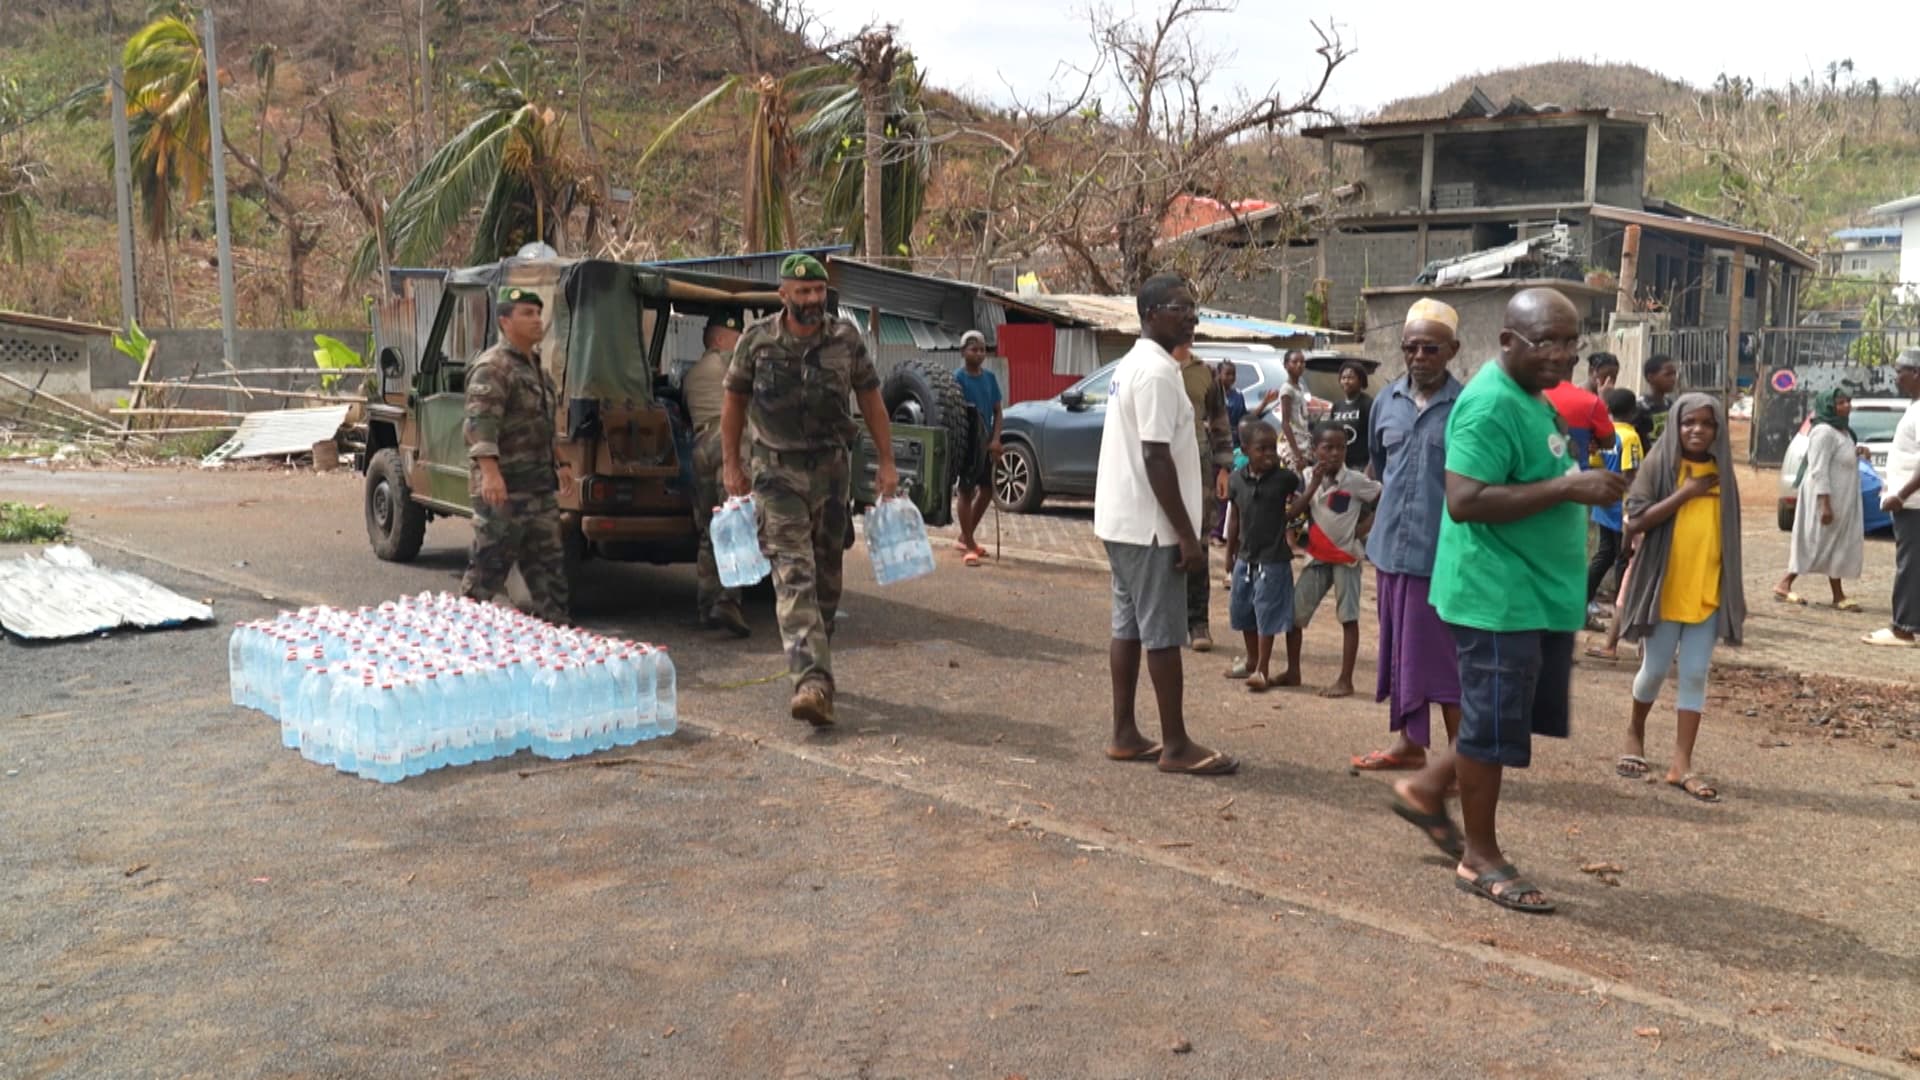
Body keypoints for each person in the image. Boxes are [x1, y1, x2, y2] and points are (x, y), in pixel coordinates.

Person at [1388, 288, 1628, 915]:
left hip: (1533, 594)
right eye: (1546, 341)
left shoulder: (1534, 397)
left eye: (1570, 342)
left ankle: (1425, 788)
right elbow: (1465, 499)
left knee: (1499, 718)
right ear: (1506, 341)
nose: (1563, 355)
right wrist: (1570, 489)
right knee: (1490, 730)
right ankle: (1480, 858)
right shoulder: (1489, 405)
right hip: (1495, 595)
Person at [721, 253, 899, 727]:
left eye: (819, 291)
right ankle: (812, 682)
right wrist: (731, 464)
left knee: (826, 581)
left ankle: (817, 663)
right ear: (783, 295)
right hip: (776, 474)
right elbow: (733, 402)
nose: (813, 299)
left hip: (831, 474)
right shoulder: (756, 340)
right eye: (803, 292)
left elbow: (871, 400)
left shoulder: (845, 340)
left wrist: (886, 462)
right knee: (793, 574)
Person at [1096, 274, 1237, 775]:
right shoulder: (1156, 372)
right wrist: (1185, 534)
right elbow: (1156, 457)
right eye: (1180, 308)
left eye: (1194, 309)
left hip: (1124, 521)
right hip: (1151, 527)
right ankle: (1176, 745)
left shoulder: (1134, 364)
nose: (1191, 317)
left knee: (1128, 627)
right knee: (1161, 634)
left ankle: (1124, 733)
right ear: (1151, 314)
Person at [1351, 298, 1465, 773]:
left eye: (1430, 348)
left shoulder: (1466, 408)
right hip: (1390, 552)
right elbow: (1380, 464)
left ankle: (1461, 762)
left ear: (1452, 350)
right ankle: (1409, 746)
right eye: (1410, 347)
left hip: (1440, 559)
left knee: (1443, 664)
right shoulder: (1386, 402)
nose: (1419, 357)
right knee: (1401, 655)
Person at [1615, 395, 1746, 802]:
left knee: (1694, 674)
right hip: (1664, 590)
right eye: (1689, 422)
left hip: (1707, 591)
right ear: (1675, 425)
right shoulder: (1660, 465)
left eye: (1707, 424)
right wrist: (1685, 494)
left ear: (1717, 429)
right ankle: (1635, 730)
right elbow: (1635, 520)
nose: (1697, 430)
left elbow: (1730, 535)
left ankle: (1681, 764)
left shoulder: (1723, 472)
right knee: (1654, 671)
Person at [463, 286, 569, 624]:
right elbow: (480, 424)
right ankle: (462, 635)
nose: (537, 320)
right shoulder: (493, 367)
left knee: (551, 572)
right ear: (505, 321)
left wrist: (561, 463)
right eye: (527, 313)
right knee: (489, 569)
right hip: (504, 490)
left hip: (538, 488)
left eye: (538, 313)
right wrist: (490, 474)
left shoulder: (536, 367)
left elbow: (542, 422)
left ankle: (557, 635)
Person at [1281, 425, 1380, 697]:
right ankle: (1292, 671)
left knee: (1348, 617)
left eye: (1341, 448)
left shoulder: (1356, 480)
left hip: (1346, 557)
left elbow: (1383, 498)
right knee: (1294, 615)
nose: (1335, 453)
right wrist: (1313, 485)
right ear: (1315, 450)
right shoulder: (1306, 477)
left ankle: (1345, 680)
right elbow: (1293, 513)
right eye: (1328, 448)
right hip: (1317, 555)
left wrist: (1364, 529)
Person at [1222, 421, 1314, 691]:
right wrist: (1229, 554)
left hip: (1273, 561)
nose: (1269, 455)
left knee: (1267, 614)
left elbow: (1295, 509)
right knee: (1243, 610)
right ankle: (1251, 660)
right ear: (1245, 450)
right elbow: (1234, 519)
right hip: (1245, 558)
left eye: (1272, 448)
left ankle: (1262, 669)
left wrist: (1311, 487)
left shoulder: (1284, 479)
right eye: (1261, 449)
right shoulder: (1237, 480)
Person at [685, 312, 750, 637]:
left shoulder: (692, 374)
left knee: (710, 529)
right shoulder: (728, 362)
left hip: (700, 448)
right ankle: (728, 601)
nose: (740, 344)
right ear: (721, 339)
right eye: (736, 338)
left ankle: (706, 604)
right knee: (736, 524)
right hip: (730, 444)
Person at [1774, 389, 1866, 609]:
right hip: (1824, 498)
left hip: (1841, 499)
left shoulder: (1842, 431)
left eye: (1848, 401)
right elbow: (1819, 469)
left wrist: (1857, 452)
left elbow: (1839, 458)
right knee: (1816, 543)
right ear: (1829, 406)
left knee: (1836, 544)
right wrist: (1824, 504)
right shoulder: (1823, 432)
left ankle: (1837, 595)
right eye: (1841, 402)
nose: (1847, 406)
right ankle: (1784, 584)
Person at [1177, 343, 1233, 651]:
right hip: (1158, 462)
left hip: (1197, 463)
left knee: (1198, 540)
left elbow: (1219, 419)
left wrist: (1223, 468)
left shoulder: (1205, 372)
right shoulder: (1150, 366)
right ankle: (1165, 621)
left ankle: (1198, 622)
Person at [1864, 349, 1920, 648]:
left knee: (1910, 565)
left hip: (1913, 504)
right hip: (1910, 501)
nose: (1896, 378)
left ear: (1916, 373)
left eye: (1900, 372)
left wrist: (1900, 494)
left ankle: (1903, 629)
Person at [1586, 389, 1643, 621]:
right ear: (1633, 412)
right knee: (1623, 556)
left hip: (1603, 501)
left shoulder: (1605, 434)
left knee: (1605, 553)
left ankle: (1584, 598)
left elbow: (1594, 462)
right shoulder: (1630, 437)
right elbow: (1630, 473)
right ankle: (1622, 607)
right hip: (1621, 505)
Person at [951, 330, 1004, 567]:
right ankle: (970, 545)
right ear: (963, 352)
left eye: (982, 349)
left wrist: (996, 439)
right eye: (974, 349)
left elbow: (998, 411)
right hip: (968, 442)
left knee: (987, 489)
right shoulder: (957, 379)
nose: (979, 353)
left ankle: (966, 537)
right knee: (966, 491)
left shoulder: (990, 378)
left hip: (986, 441)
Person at [1544, 351, 1616, 463]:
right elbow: (1609, 442)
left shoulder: (1537, 396)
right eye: (1605, 376)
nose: (1609, 382)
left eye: (1613, 378)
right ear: (1591, 371)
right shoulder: (1593, 402)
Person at [1328, 360, 1373, 470]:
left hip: (1361, 465)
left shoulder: (1367, 404)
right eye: (1343, 378)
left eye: (1350, 378)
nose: (1346, 381)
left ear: (1360, 380)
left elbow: (1375, 437)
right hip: (1340, 464)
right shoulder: (1337, 406)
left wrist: (1370, 466)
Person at [1275, 348, 1313, 467]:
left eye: (1302, 362)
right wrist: (1296, 453)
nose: (1299, 365)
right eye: (1295, 362)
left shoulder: (1300, 387)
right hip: (1294, 442)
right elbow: (1285, 423)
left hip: (1303, 438)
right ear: (1286, 365)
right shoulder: (1287, 389)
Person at [1636, 354, 1679, 449]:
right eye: (1668, 374)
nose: (1673, 379)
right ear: (1650, 377)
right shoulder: (1639, 407)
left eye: (1674, 374)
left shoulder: (1669, 404)